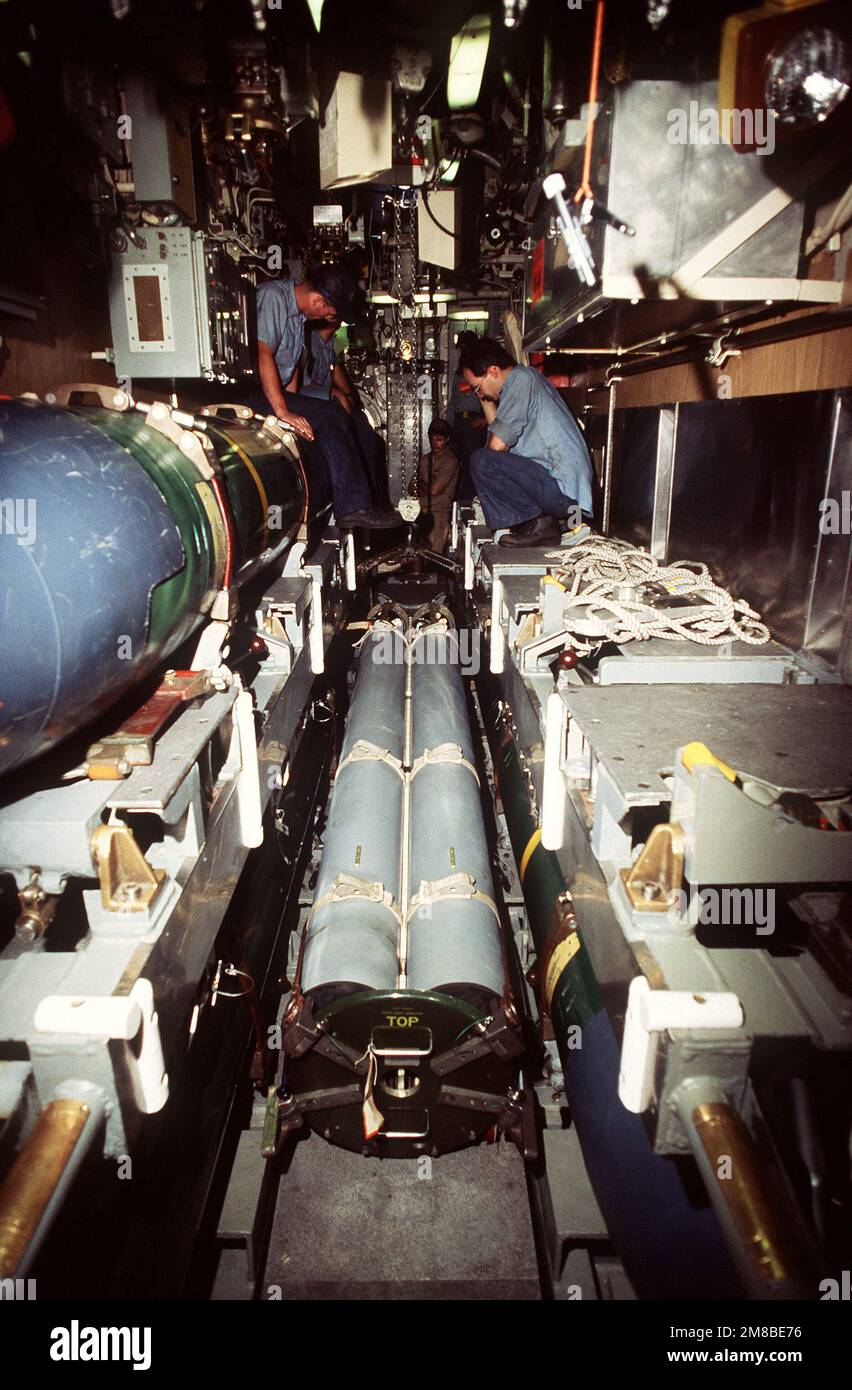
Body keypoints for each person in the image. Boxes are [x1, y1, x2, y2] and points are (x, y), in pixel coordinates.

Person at [255, 264, 397, 529]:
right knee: (331, 413)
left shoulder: (298, 318)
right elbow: (263, 352)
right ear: (319, 300)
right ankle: (353, 508)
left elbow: (292, 369)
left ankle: (362, 503)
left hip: (275, 395)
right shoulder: (274, 297)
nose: (326, 317)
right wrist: (284, 411)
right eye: (329, 311)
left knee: (339, 420)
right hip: (254, 393)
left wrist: (297, 407)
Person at [459, 336, 594, 547]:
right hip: (567, 499)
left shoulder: (519, 380)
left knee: (481, 460)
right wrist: (483, 398)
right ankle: (538, 523)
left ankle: (540, 523)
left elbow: (496, 449)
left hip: (564, 495)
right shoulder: (524, 380)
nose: (480, 392)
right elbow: (500, 435)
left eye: (477, 387)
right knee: (486, 460)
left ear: (493, 370)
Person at [301, 316, 388, 503]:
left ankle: (373, 500)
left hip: (325, 402)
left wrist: (349, 397)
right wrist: (336, 394)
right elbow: (304, 385)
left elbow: (337, 372)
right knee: (346, 432)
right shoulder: (308, 341)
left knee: (367, 434)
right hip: (310, 403)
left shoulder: (329, 345)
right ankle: (357, 501)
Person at [408, 419, 460, 553]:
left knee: (432, 555)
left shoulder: (450, 461)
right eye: (432, 439)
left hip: (438, 513)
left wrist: (421, 487)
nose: (435, 443)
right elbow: (410, 487)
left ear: (447, 439)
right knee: (410, 553)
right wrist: (424, 488)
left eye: (439, 439)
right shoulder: (425, 459)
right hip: (419, 512)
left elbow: (434, 490)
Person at [448, 330, 487, 500]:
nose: (462, 350)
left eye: (464, 346)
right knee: (458, 464)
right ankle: (461, 497)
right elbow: (453, 402)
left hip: (473, 422)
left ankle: (470, 498)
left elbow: (495, 397)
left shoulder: (480, 371)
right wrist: (450, 427)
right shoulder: (459, 374)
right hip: (459, 423)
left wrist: (486, 420)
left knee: (472, 463)